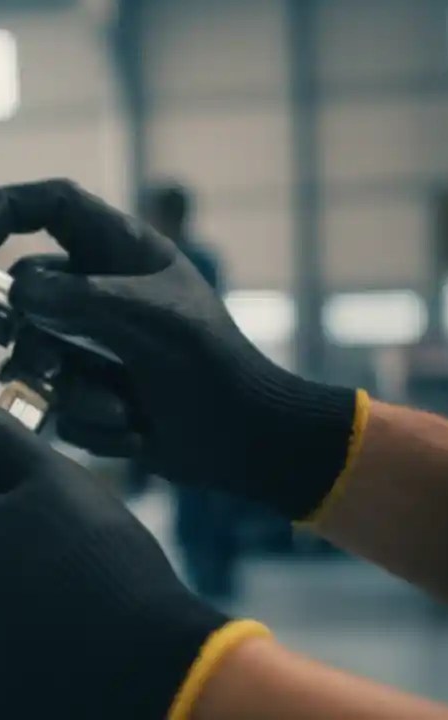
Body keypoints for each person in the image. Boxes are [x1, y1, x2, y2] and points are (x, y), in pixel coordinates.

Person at [0, 179, 448, 720]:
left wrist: (153, 671)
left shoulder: (206, 257)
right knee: (199, 512)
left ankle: (211, 576)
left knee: (202, 523)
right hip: (188, 435)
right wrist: (278, 430)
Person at [140, 183, 245, 598]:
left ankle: (210, 573)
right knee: (207, 484)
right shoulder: (203, 260)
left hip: (189, 384)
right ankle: (213, 573)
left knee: (196, 485)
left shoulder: (171, 261)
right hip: (205, 381)